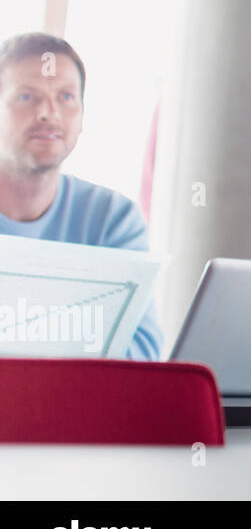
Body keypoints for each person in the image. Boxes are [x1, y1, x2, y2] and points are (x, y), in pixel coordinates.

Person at [0, 33, 164, 360]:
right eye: (26, 97)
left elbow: (142, 353)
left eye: (66, 96)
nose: (48, 113)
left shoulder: (113, 219)